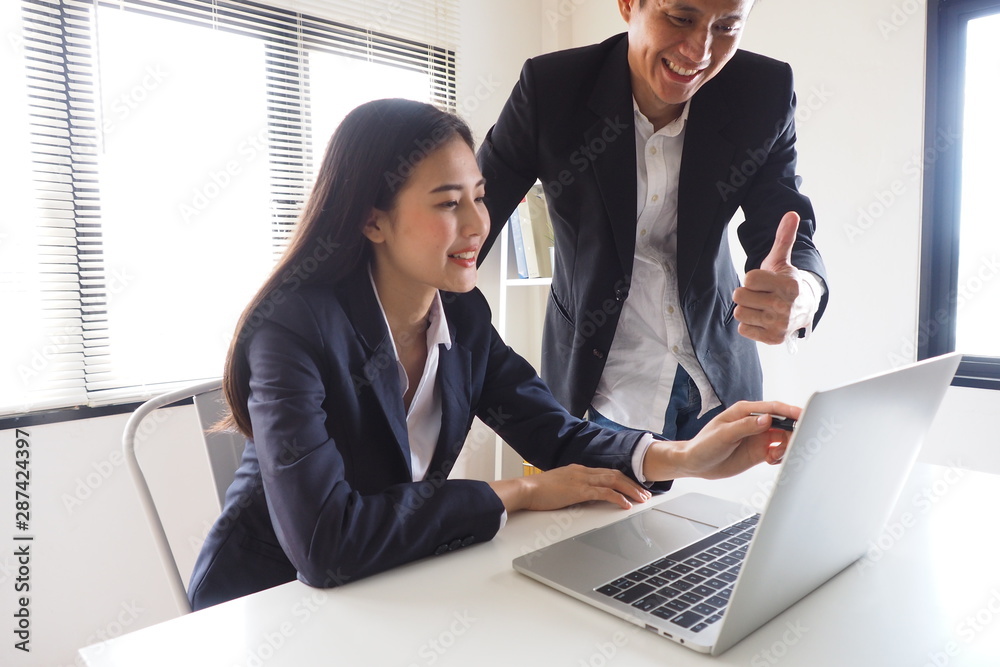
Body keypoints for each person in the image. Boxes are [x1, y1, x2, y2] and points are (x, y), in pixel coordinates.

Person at [186, 98, 799, 611]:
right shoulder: (291, 329)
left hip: (385, 585)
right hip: (266, 604)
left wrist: (684, 457)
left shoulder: (463, 316)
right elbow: (326, 543)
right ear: (373, 221)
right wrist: (518, 493)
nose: (479, 224)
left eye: (480, 197)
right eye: (449, 203)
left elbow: (553, 433)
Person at [477, 0, 830, 441]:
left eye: (725, 27)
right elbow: (471, 221)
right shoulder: (552, 88)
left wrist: (804, 293)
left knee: (728, 513)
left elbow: (784, 226)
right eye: (681, 18)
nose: (700, 50)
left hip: (719, 384)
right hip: (605, 389)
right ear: (628, 5)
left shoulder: (764, 91)